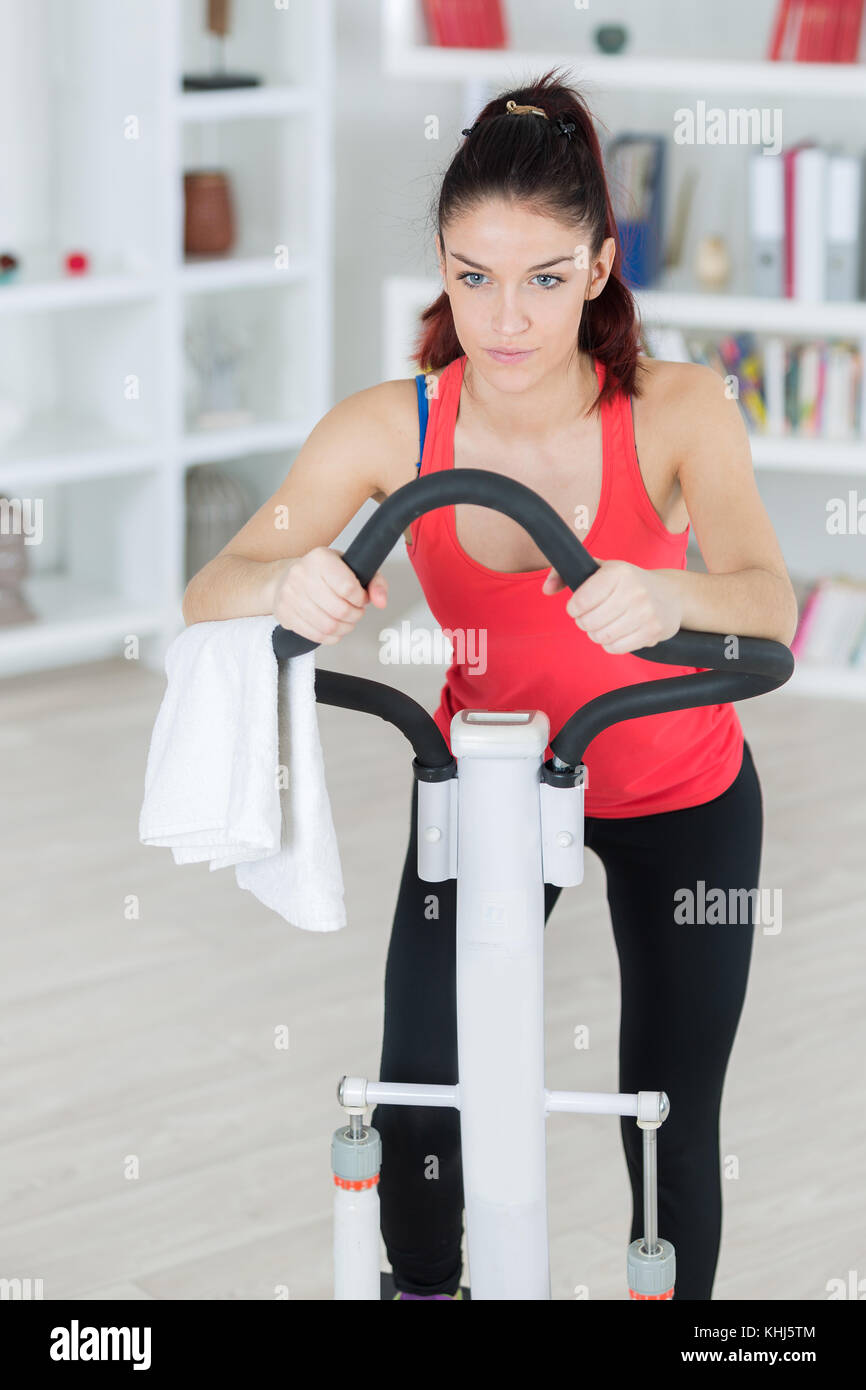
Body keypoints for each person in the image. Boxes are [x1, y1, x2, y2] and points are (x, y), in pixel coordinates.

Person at [183, 70, 798, 1301]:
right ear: (440, 262)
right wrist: (289, 582)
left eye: (543, 278)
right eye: (472, 277)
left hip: (681, 791)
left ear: (600, 263)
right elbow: (214, 584)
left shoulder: (675, 412)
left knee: (667, 1122)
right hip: (488, 789)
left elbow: (768, 604)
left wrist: (668, 594)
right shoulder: (390, 425)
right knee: (417, 1099)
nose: (506, 319)